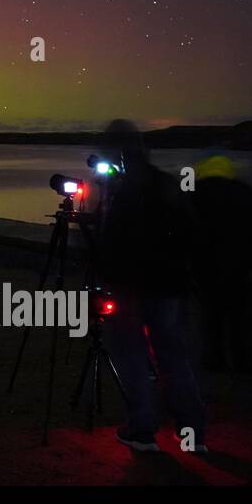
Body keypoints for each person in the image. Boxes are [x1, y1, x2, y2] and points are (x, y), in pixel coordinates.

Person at [95, 119, 207, 453]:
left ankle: (142, 430)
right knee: (173, 354)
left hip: (132, 285)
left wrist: (106, 275)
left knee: (131, 353)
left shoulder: (124, 190)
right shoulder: (166, 184)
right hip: (170, 283)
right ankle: (192, 433)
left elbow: (112, 240)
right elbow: (191, 232)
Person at [188, 155, 252, 374]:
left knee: (212, 319)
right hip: (244, 269)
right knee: (242, 320)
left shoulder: (198, 193)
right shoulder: (245, 192)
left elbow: (188, 230)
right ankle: (244, 363)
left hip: (209, 269)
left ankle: (215, 361)